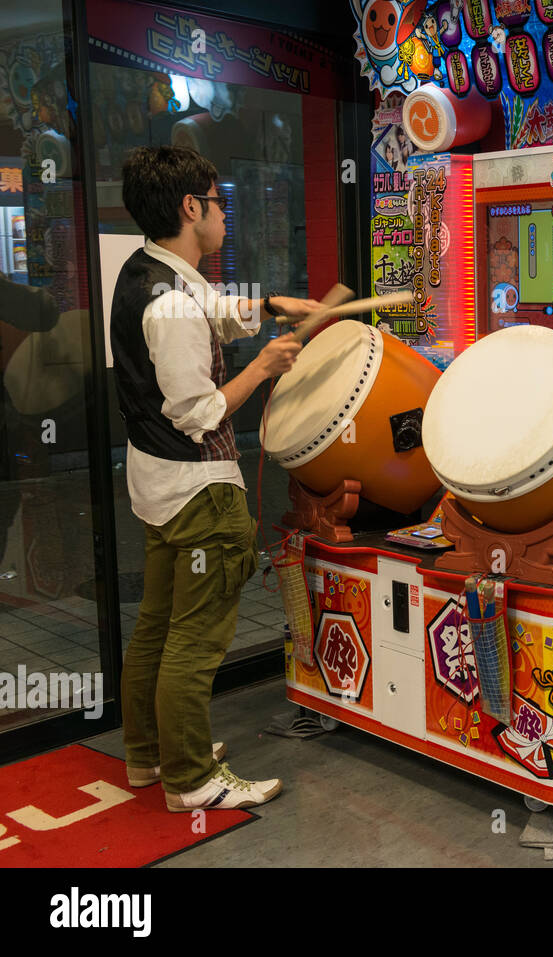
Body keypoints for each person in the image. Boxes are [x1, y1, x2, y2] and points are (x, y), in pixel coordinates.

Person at [111, 145, 320, 810]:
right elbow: (199, 413)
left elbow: (217, 308)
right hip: (197, 492)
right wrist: (264, 366)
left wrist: (273, 304)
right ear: (190, 208)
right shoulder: (169, 304)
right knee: (194, 640)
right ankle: (192, 777)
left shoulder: (150, 269)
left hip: (156, 487)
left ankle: (151, 756)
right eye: (217, 200)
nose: (224, 212)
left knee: (157, 625)